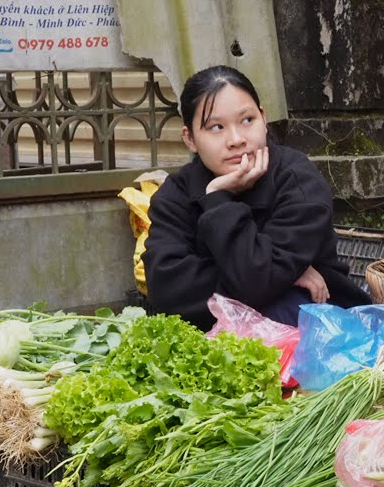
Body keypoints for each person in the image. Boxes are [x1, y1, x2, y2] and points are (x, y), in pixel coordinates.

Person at [143, 65, 370, 330]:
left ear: (263, 118)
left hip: (316, 329)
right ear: (190, 138)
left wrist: (218, 202)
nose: (236, 139)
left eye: (247, 120)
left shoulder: (297, 180)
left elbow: (257, 282)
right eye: (216, 127)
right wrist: (282, 278)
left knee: (280, 308)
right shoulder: (176, 194)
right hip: (213, 333)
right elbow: (168, 290)